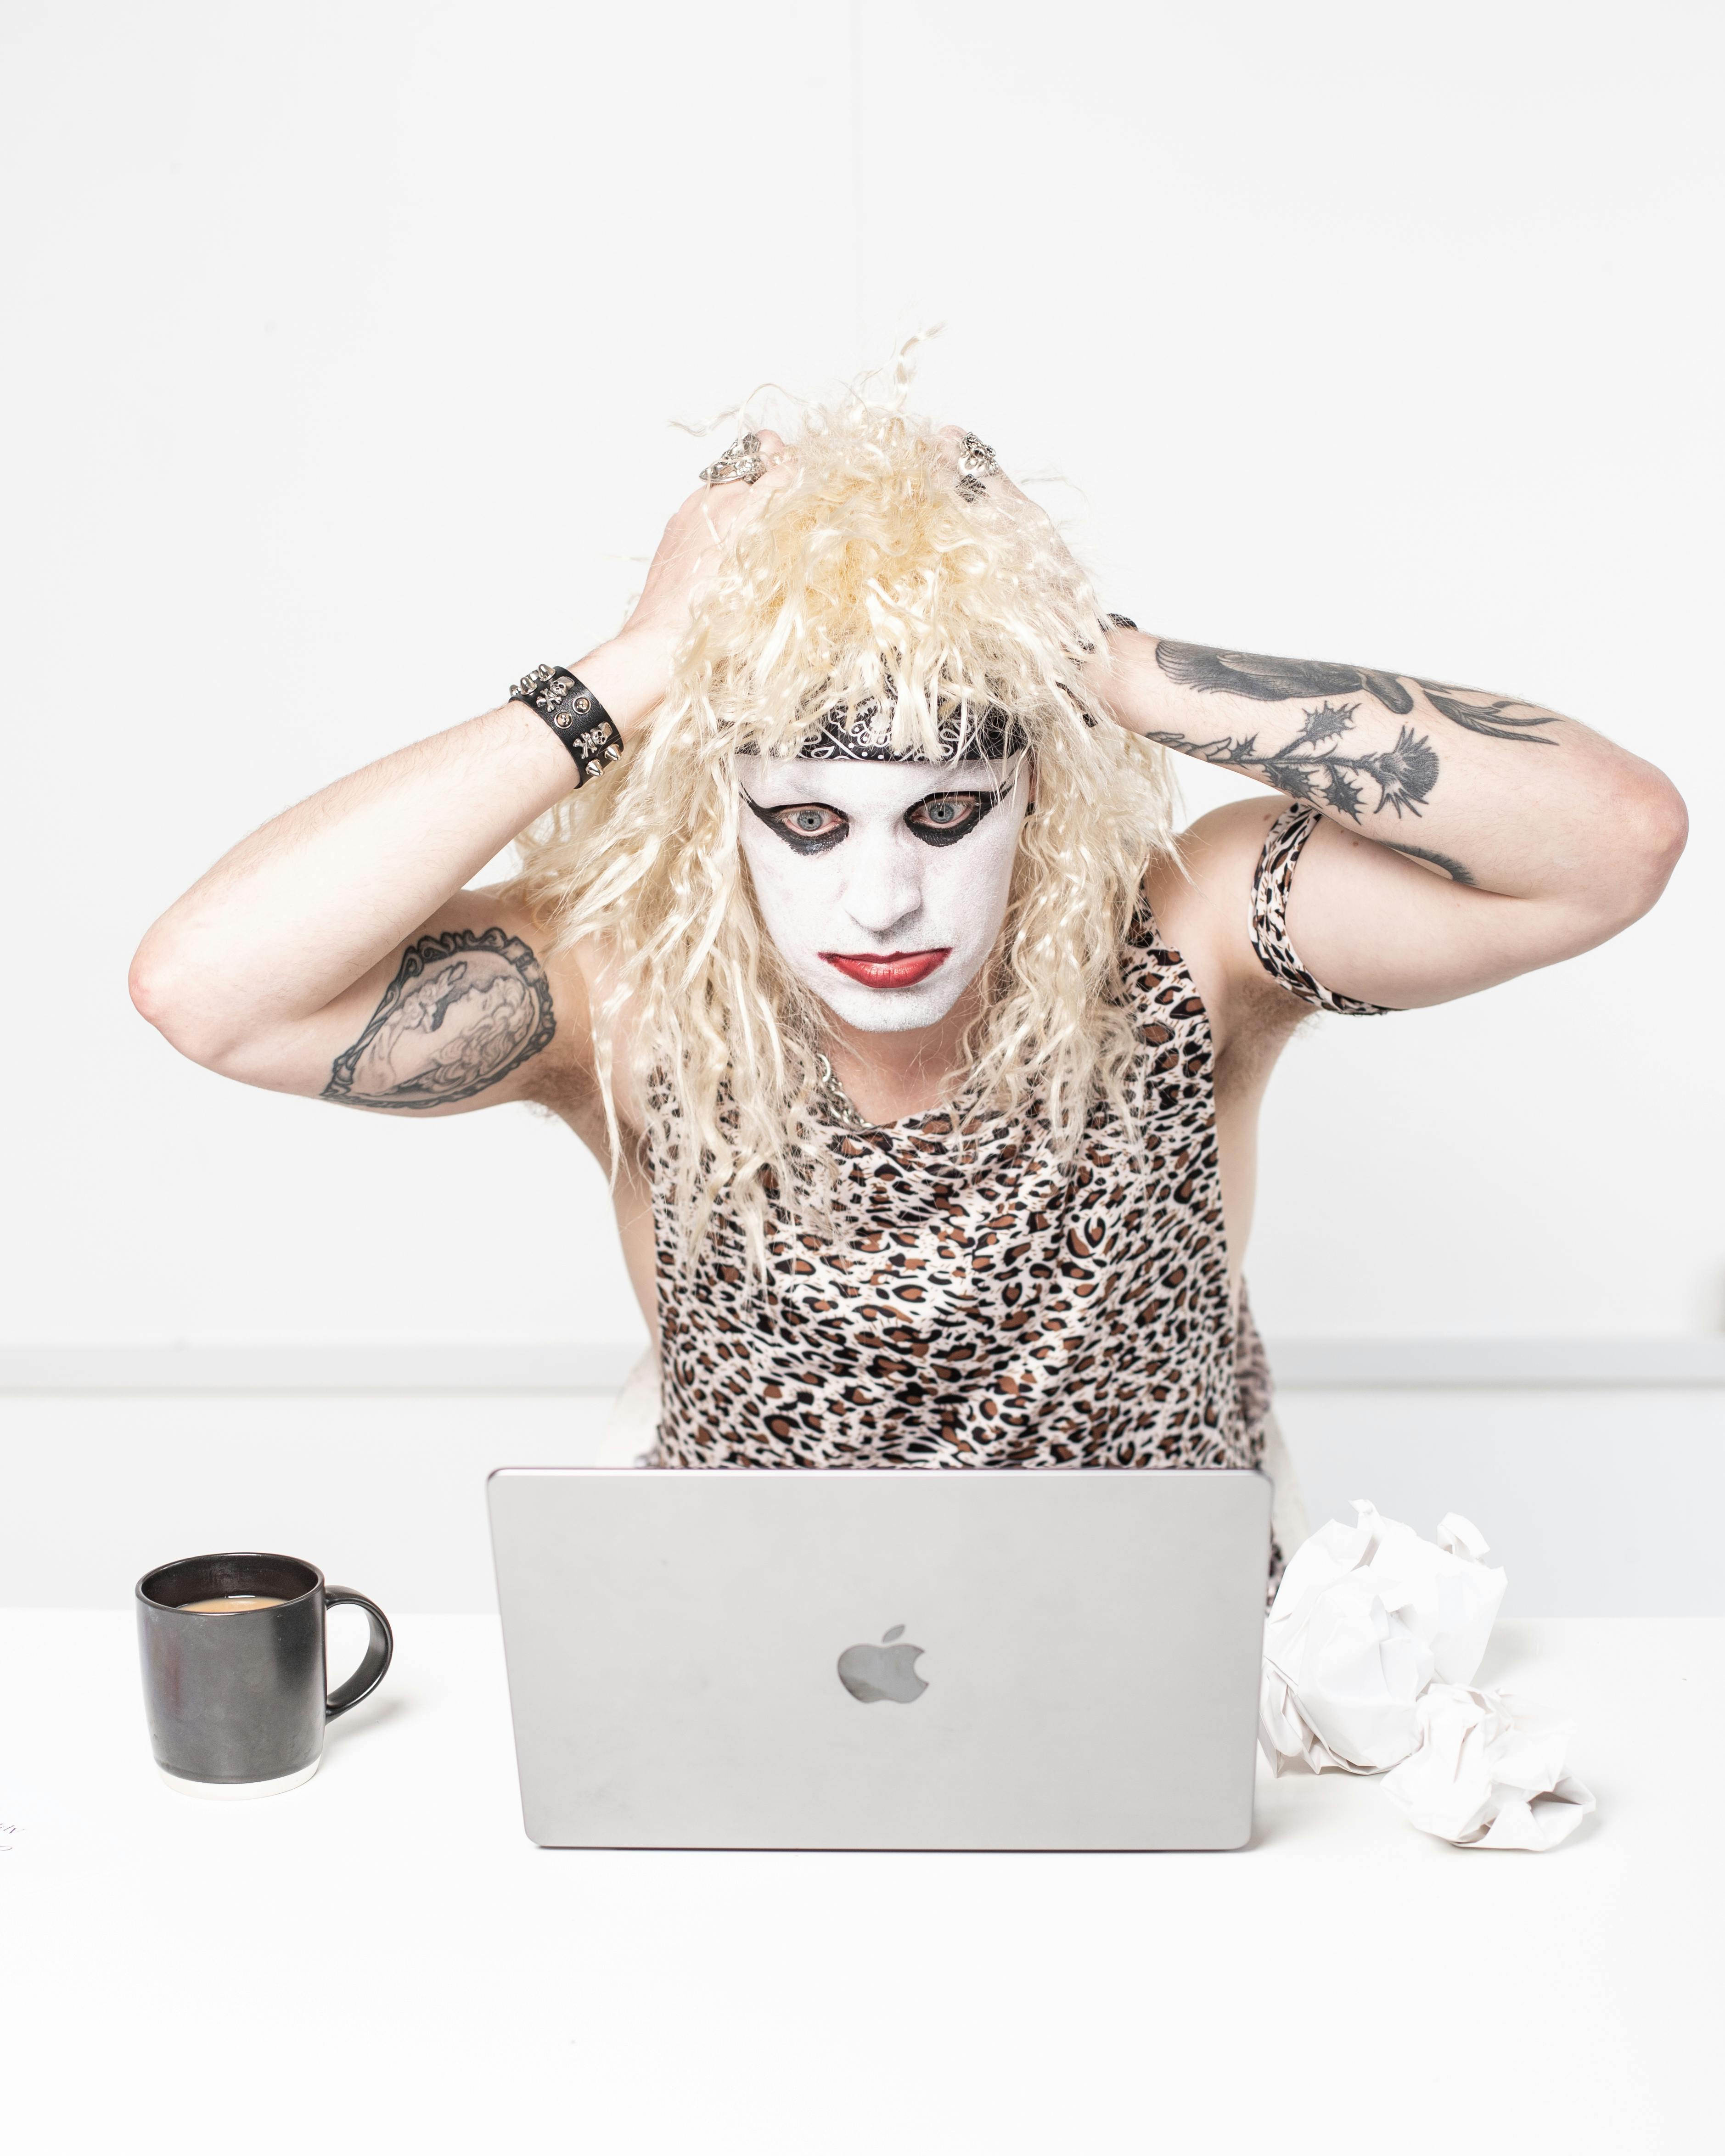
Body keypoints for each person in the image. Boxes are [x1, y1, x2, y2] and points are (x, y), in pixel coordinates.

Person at [129, 399, 1686, 1579]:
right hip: (747, 1654)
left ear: (1043, 798)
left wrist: (1101, 655)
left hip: (1162, 1667)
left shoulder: (1190, 942)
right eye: (807, 823)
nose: (882, 898)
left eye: (947, 816)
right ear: (717, 808)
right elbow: (214, 993)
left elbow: (1609, 846)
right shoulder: (638, 986)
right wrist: (644, 659)